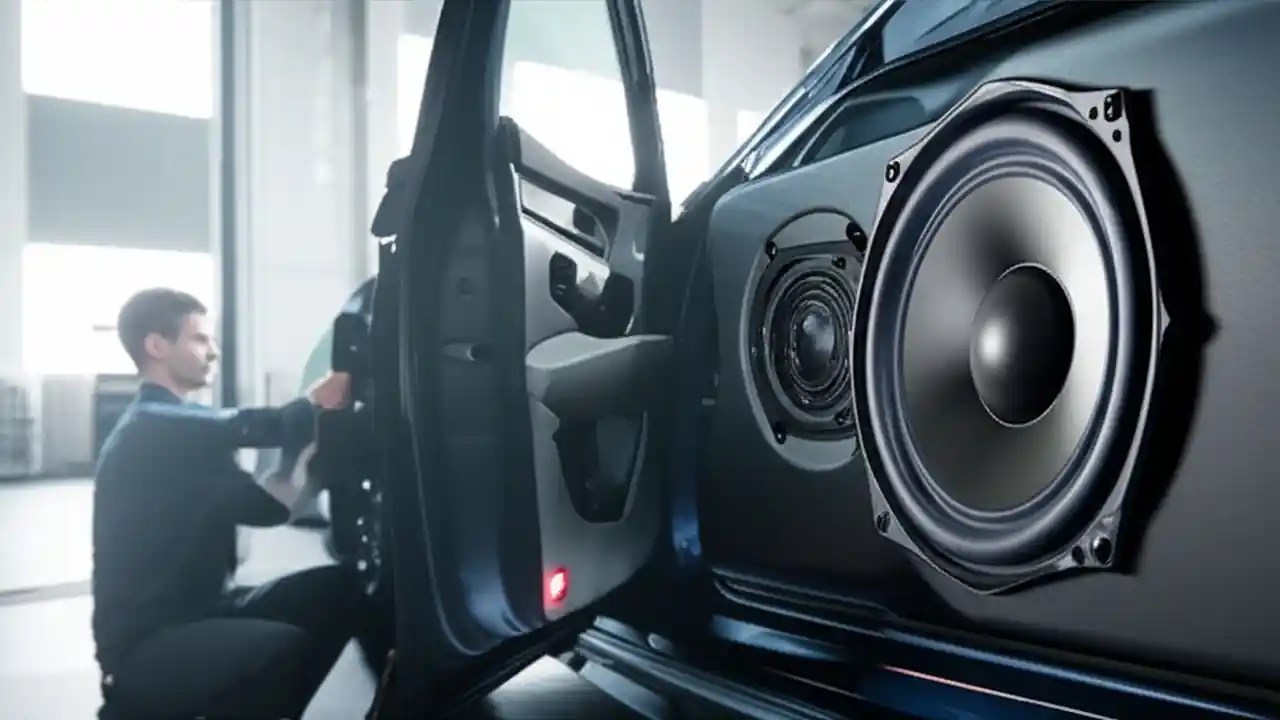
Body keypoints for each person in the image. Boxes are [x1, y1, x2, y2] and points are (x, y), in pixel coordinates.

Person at [92, 287, 384, 719]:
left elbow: (266, 507)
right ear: (157, 346)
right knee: (279, 648)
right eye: (200, 339)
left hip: (204, 612)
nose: (213, 352)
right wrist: (333, 388)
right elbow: (272, 425)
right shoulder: (153, 426)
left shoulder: (183, 437)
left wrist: (319, 466)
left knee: (338, 590)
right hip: (148, 647)